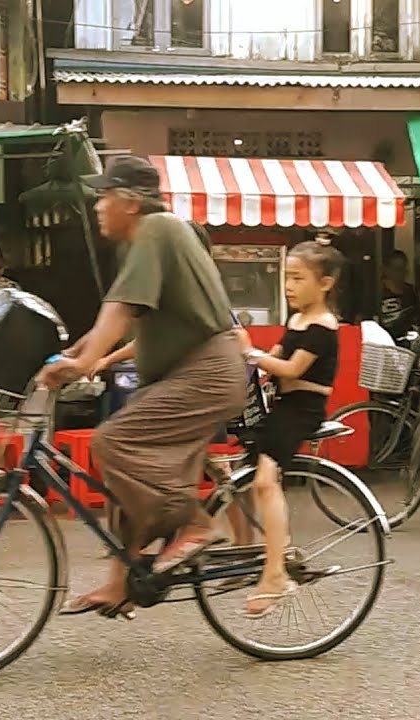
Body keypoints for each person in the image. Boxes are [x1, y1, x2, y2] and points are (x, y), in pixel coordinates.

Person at [40, 156, 247, 618]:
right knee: (125, 479)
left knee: (114, 442)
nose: (97, 206)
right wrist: (81, 351)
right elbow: (127, 314)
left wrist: (89, 362)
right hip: (185, 375)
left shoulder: (159, 229)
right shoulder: (145, 240)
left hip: (206, 375)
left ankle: (195, 523)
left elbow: (121, 306)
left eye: (104, 196)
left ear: (130, 202)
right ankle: (120, 583)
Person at [235, 239, 343, 618]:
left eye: (298, 278)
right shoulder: (297, 320)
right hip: (281, 404)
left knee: (266, 480)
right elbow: (276, 357)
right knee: (239, 473)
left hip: (302, 409)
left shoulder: (323, 326)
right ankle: (260, 547)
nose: (290, 286)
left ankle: (275, 574)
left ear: (325, 284)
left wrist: (251, 353)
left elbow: (292, 368)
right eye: (287, 278)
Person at [378, 249, 417, 338]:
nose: (401, 273)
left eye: (404, 269)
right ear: (386, 269)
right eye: (397, 269)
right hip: (384, 338)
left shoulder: (410, 291)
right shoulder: (377, 292)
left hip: (407, 338)